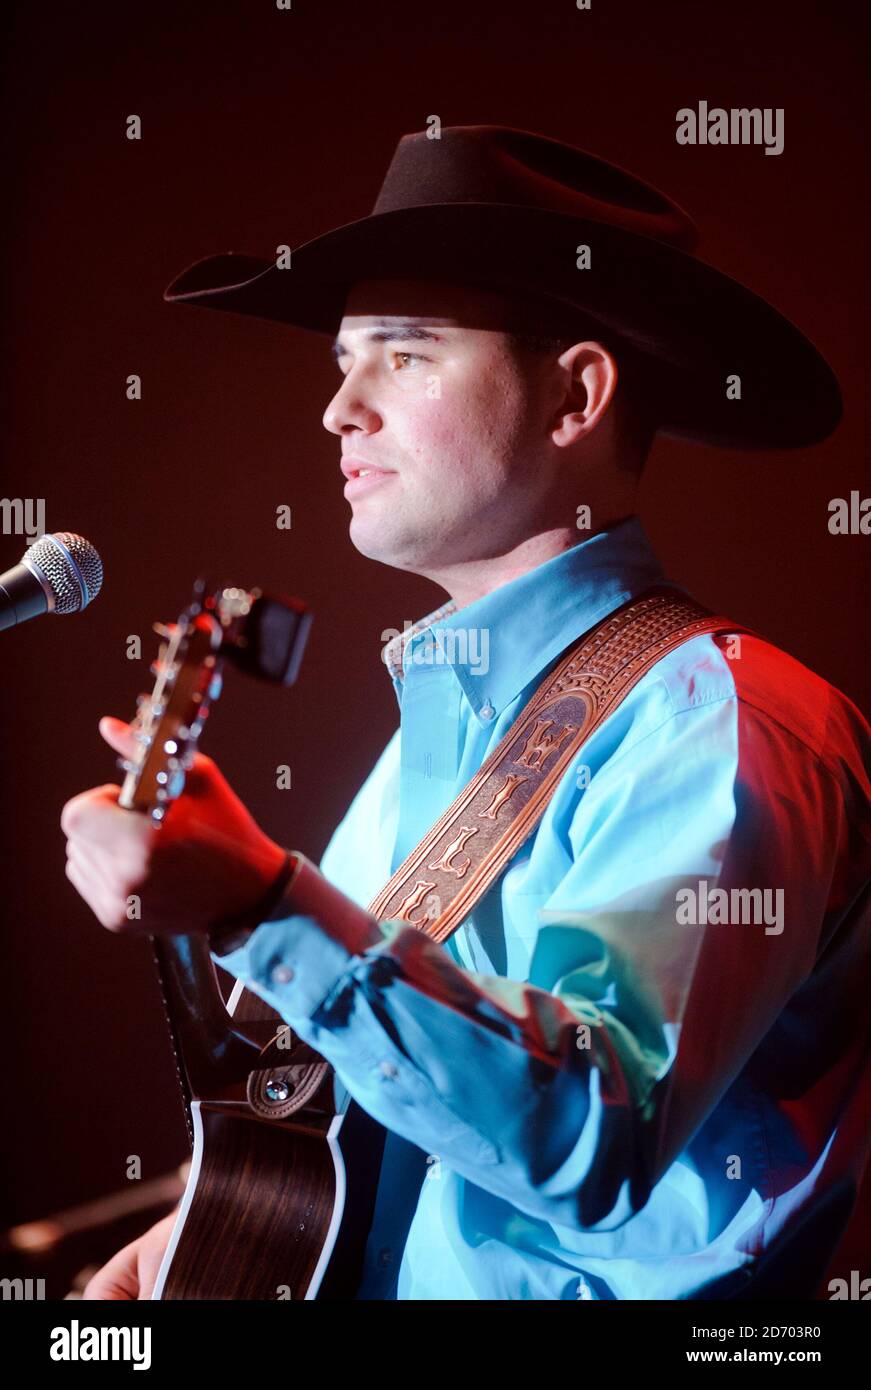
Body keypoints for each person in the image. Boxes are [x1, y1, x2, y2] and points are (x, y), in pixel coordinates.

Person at [61, 126, 871, 1300]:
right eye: (341, 360)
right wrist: (204, 1228)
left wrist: (256, 902)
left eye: (405, 354)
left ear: (576, 396)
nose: (340, 408)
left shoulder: (726, 722)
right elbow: (369, 1115)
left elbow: (590, 1132)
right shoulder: (422, 754)